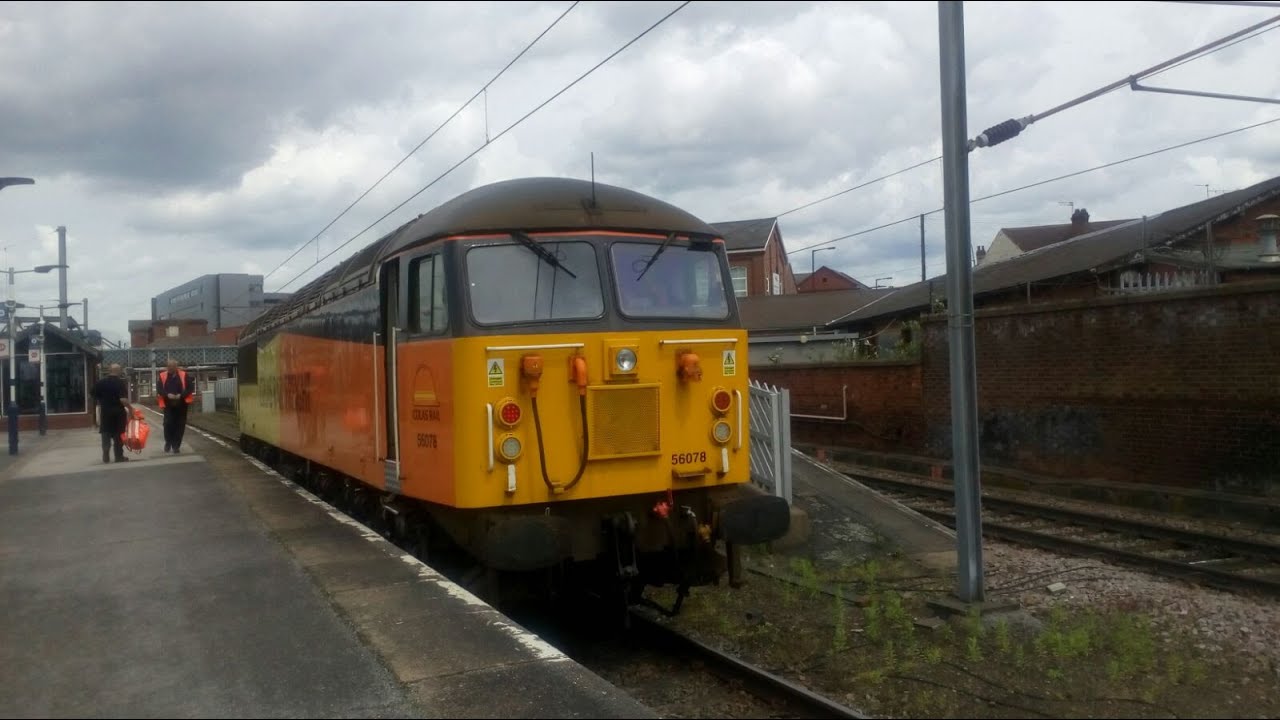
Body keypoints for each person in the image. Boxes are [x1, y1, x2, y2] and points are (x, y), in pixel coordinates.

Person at [91, 363, 133, 464]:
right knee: (118, 435)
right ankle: (118, 456)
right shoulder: (120, 383)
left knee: (106, 432)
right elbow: (123, 400)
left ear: (109, 370)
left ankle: (106, 453)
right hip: (118, 413)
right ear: (118, 371)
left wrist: (102, 400)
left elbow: (92, 394)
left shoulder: (101, 382)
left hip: (105, 412)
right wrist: (130, 409)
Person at [156, 358, 194, 453]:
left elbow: (190, 388)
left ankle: (176, 445)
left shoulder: (184, 375)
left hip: (181, 404)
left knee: (180, 425)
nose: (170, 368)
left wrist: (181, 395)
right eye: (169, 366)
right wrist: (167, 394)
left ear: (176, 367)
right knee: (168, 423)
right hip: (168, 404)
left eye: (172, 367)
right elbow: (159, 389)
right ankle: (168, 442)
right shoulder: (162, 375)